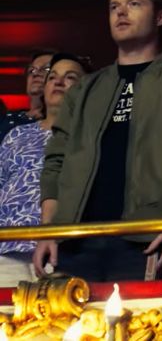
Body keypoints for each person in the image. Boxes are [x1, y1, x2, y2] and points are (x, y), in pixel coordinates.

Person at [36, 0, 162, 281]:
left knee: (142, 316)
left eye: (134, 4)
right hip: (74, 240)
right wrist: (48, 230)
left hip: (148, 239)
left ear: (160, 16)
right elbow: (56, 161)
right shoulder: (85, 89)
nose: (121, 13)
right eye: (114, 6)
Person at [0, 53, 89, 286]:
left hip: (61, 249)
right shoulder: (17, 134)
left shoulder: (89, 138)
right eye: (52, 77)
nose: (58, 82)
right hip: (7, 245)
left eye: (70, 77)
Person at [0, 51, 55, 142]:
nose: (35, 74)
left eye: (46, 69)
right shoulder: (6, 118)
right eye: (32, 70)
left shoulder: (67, 123)